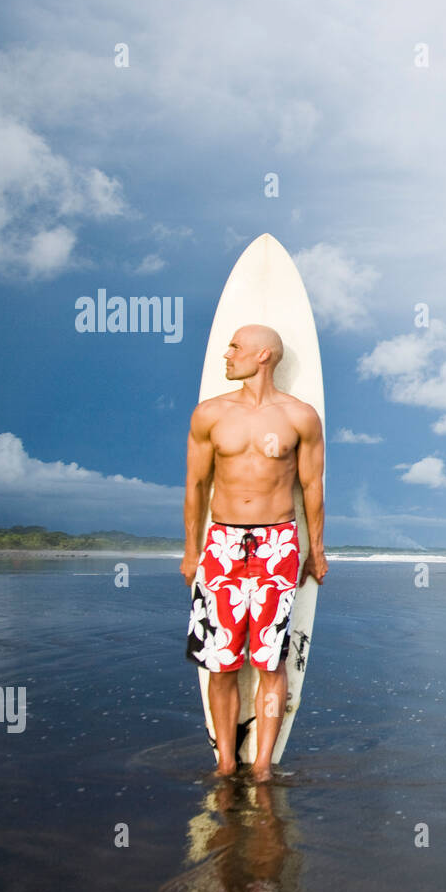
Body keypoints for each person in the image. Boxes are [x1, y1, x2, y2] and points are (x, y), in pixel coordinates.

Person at [181, 323, 326, 782]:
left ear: (264, 356)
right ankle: (225, 762)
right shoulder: (209, 414)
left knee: (270, 660)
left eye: (236, 347)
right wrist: (191, 551)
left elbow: (311, 488)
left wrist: (316, 550)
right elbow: (196, 486)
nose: (227, 354)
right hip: (222, 543)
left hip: (278, 544)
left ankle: (262, 765)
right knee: (219, 663)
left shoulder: (299, 417)